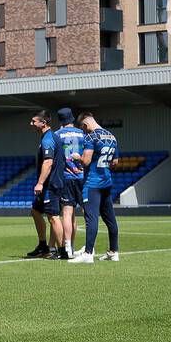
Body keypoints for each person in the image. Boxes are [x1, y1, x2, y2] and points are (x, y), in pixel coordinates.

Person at [70, 112, 121, 264]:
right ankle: (113, 251)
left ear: (85, 125)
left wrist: (77, 157)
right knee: (110, 218)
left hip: (92, 183)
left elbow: (85, 161)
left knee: (91, 217)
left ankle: (88, 253)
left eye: (83, 129)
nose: (84, 132)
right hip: (106, 182)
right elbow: (115, 162)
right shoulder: (112, 136)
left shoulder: (91, 137)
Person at [51, 107, 87, 260]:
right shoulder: (83, 134)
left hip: (66, 177)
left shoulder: (57, 135)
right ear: (72, 118)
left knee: (67, 213)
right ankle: (88, 246)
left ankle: (67, 247)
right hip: (82, 177)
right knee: (87, 212)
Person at [27, 111, 62, 258]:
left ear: (43, 123)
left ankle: (62, 251)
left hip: (50, 185)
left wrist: (40, 183)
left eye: (34, 121)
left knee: (54, 217)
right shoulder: (49, 137)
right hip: (49, 184)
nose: (31, 124)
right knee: (35, 211)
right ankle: (43, 246)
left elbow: (48, 162)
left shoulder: (48, 139)